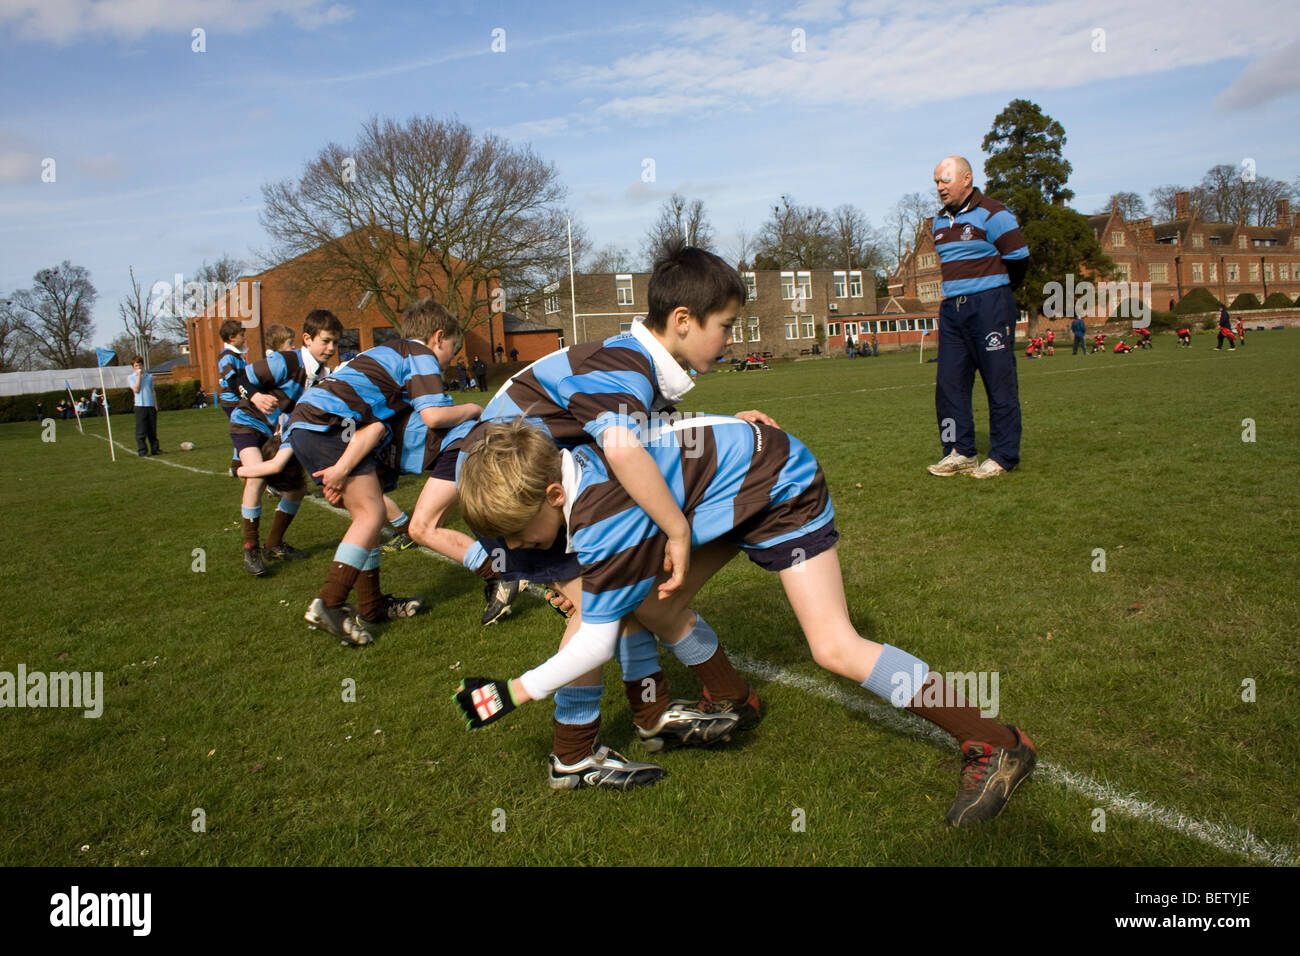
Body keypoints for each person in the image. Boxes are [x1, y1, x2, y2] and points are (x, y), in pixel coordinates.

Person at [453, 417, 1038, 825]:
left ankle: (995, 741)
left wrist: (510, 692)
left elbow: (593, 644)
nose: (516, 546)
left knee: (834, 647)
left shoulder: (603, 517)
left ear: (555, 493)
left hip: (779, 488)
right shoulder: (570, 453)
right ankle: (737, 700)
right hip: (728, 488)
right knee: (655, 605)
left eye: (517, 531)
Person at [452, 244, 776, 786]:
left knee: (623, 596)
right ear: (681, 322)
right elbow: (625, 448)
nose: (730, 337)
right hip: (517, 495)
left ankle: (651, 716)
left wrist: (724, 423)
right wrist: (675, 528)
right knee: (595, 616)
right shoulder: (625, 363)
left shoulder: (628, 360)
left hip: (515, 486)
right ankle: (573, 756)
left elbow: (651, 429)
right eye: (726, 324)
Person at [284, 298, 481, 646]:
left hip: (311, 425)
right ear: (437, 338)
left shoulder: (385, 353)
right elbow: (433, 417)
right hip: (327, 424)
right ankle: (329, 603)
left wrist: (341, 471)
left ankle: (372, 607)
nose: (452, 357)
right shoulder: (419, 354)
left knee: (367, 517)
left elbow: (372, 429)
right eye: (454, 347)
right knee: (371, 514)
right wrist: (472, 408)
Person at [927, 155, 1029, 479]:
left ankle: (1003, 456)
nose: (940, 187)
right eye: (937, 182)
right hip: (951, 310)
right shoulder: (938, 223)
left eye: (946, 180)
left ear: (967, 179)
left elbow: (1019, 259)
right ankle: (959, 451)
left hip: (990, 306)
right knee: (948, 385)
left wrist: (993, 290)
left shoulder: (995, 214)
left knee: (999, 383)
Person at [228, 311, 341, 575]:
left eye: (336, 343)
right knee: (256, 478)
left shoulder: (324, 375)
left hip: (280, 431)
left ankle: (274, 543)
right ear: (307, 339)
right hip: (248, 422)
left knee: (296, 489)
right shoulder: (284, 361)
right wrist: (255, 396)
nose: (331, 348)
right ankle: (251, 547)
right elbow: (239, 379)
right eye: (325, 341)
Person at [128, 356, 161, 456]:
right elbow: (136, 389)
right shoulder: (131, 377)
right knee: (141, 430)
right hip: (140, 406)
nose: (138, 367)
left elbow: (152, 391)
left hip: (150, 406)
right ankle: (142, 451)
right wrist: (138, 376)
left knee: (152, 429)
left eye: (140, 365)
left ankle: (155, 449)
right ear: (133, 367)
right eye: (136, 365)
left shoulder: (149, 377)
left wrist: (155, 405)